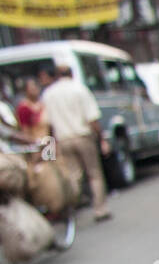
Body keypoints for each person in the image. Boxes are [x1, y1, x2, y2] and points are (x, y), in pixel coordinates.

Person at [40, 64, 111, 222]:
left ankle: (71, 209)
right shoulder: (79, 89)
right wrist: (101, 139)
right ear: (71, 74)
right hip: (83, 136)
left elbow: (48, 125)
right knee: (94, 175)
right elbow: (92, 118)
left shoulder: (49, 94)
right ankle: (100, 210)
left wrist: (51, 146)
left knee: (73, 175)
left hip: (63, 139)